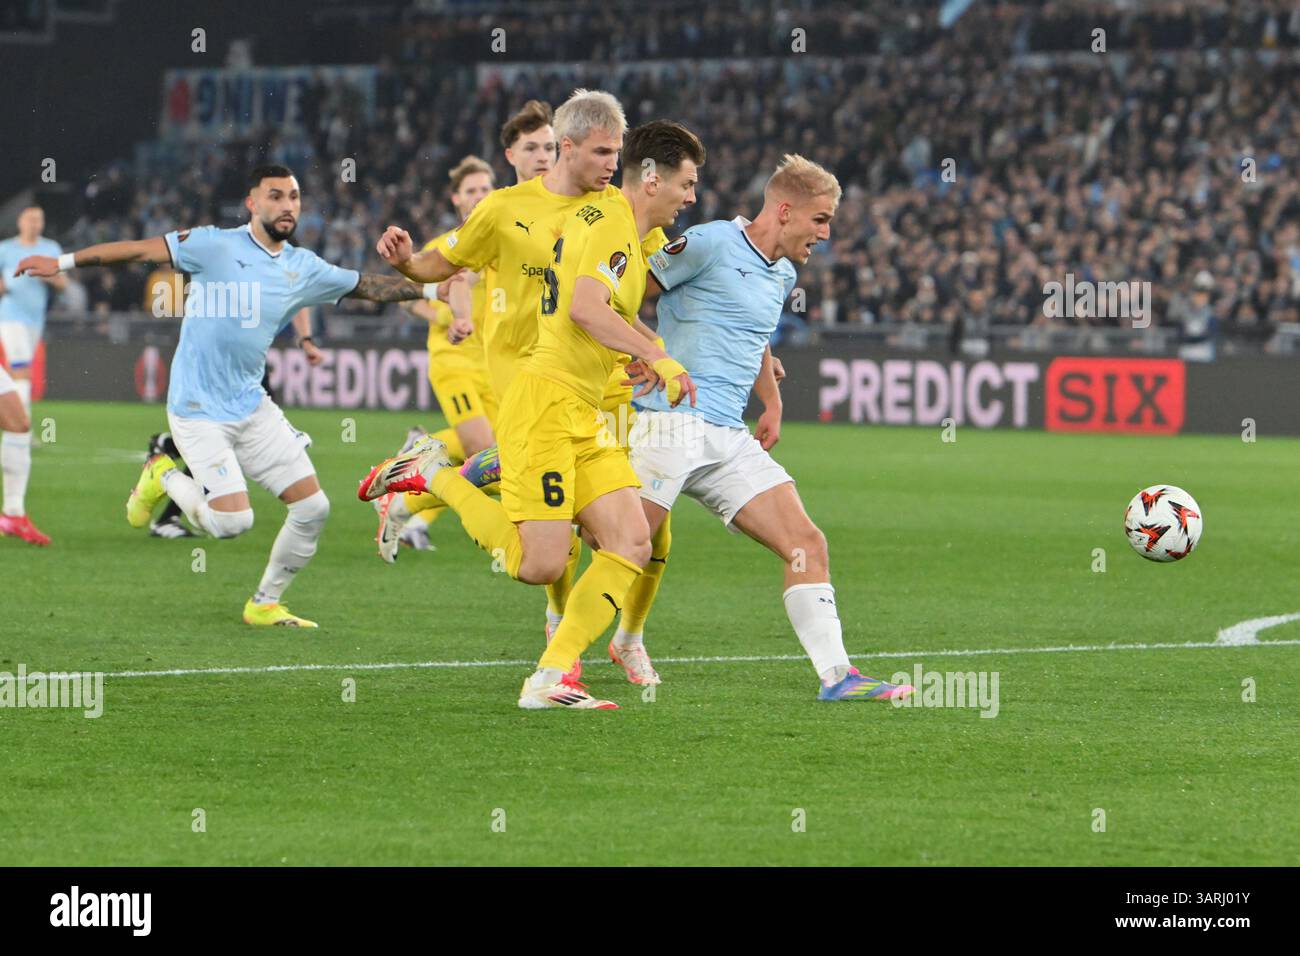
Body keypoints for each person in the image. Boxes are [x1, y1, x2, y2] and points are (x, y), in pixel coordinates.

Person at [359, 113, 703, 710]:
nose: (608, 163)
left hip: (591, 401)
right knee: (542, 562)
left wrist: (643, 348)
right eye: (600, 152)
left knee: (631, 539)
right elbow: (583, 307)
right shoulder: (564, 216)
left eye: (615, 152)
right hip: (537, 392)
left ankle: (554, 674)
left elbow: (606, 307)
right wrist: (655, 353)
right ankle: (432, 474)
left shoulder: (608, 218)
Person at [15, 164, 439, 626]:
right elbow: (138, 250)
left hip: (250, 405)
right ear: (253, 204)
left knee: (314, 509)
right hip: (197, 409)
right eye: (275, 196)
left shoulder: (303, 266)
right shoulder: (213, 243)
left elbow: (372, 287)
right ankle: (163, 474)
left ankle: (264, 603)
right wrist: (62, 262)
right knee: (235, 524)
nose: (287, 206)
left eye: (294, 197)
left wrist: (440, 283)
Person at [619, 155, 915, 702]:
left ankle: (838, 677)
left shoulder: (782, 273)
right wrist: (648, 350)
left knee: (806, 542)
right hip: (668, 420)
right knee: (618, 544)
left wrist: (772, 402)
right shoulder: (707, 243)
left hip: (727, 434)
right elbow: (619, 292)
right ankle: (496, 474)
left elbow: (753, 335)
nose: (826, 233)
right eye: (820, 220)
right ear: (784, 210)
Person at [0, 207, 65, 545]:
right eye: (29, 218)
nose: (34, 223)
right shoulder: (6, 249)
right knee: (21, 370)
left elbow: (64, 282)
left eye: (39, 218)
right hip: (8, 318)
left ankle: (12, 515)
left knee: (19, 423)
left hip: (33, 319)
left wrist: (47, 274)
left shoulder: (50, 247)